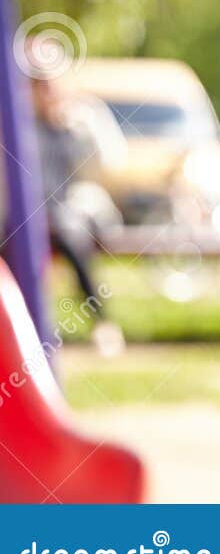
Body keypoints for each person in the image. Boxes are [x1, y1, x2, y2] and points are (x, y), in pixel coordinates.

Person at [25, 63, 125, 354]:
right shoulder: (23, 125)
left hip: (80, 208)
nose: (47, 92)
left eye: (51, 84)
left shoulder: (85, 117)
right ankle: (27, 329)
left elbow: (108, 164)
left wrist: (75, 127)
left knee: (69, 233)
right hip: (37, 215)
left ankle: (102, 321)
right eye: (39, 85)